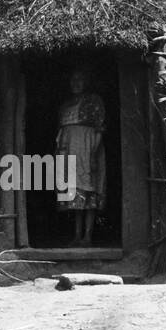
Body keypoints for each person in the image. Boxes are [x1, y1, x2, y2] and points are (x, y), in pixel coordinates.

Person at [55, 68, 106, 247]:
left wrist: (93, 154)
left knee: (89, 194)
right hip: (69, 153)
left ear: (87, 81)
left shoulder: (94, 102)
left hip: (87, 152)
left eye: (80, 79)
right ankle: (77, 236)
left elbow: (99, 131)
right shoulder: (65, 105)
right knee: (75, 197)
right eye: (73, 79)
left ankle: (87, 237)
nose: (75, 83)